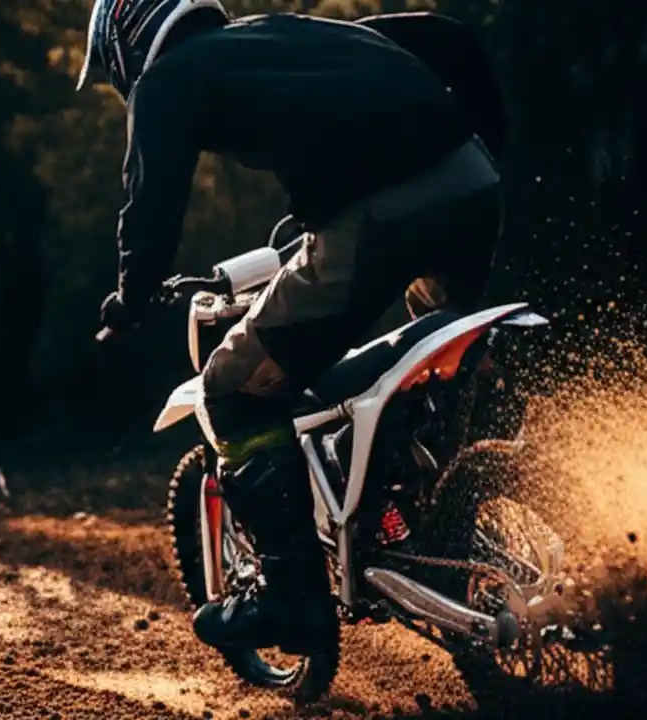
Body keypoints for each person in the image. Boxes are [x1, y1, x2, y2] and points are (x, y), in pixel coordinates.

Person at [77, 0, 504, 655]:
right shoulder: (287, 33)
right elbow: (448, 39)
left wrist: (130, 298)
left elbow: (152, 199)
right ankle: (446, 520)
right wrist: (489, 152)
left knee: (233, 389)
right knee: (444, 364)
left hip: (385, 213)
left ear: (126, 47)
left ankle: (292, 599)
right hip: (473, 183)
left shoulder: (168, 78)